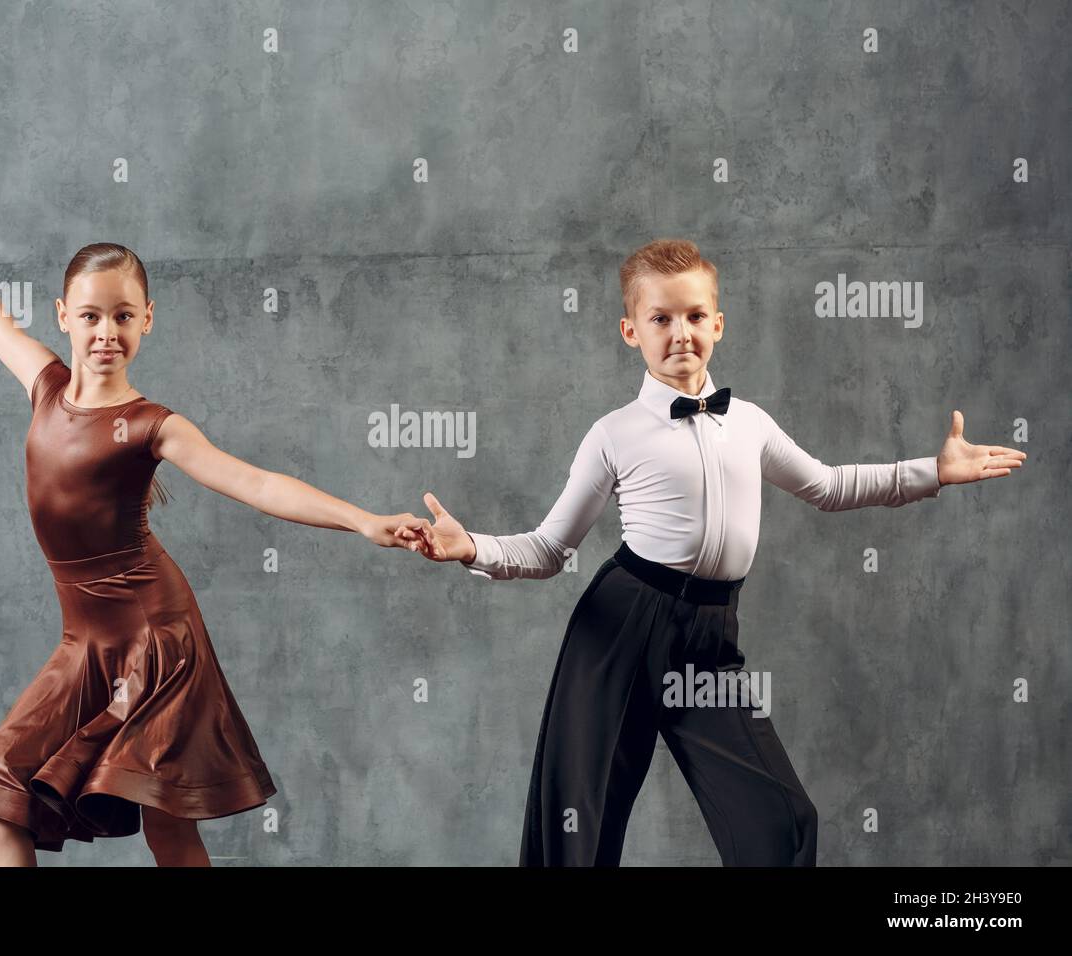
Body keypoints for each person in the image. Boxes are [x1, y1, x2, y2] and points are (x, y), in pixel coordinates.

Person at [396, 238, 1027, 866]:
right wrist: (470, 546)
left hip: (708, 636)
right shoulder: (613, 434)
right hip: (619, 629)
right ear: (629, 331)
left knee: (780, 825)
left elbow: (830, 486)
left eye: (695, 316)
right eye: (660, 319)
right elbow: (549, 548)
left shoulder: (749, 422)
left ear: (718, 324)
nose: (680, 334)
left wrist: (934, 470)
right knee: (577, 833)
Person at [0, 217, 424, 866]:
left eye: (122, 316)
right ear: (62, 316)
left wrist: (364, 521)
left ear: (147, 320)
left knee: (166, 824)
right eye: (90, 316)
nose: (106, 332)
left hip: (157, 639)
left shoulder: (150, 425)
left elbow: (254, 482)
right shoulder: (46, 387)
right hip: (84, 646)